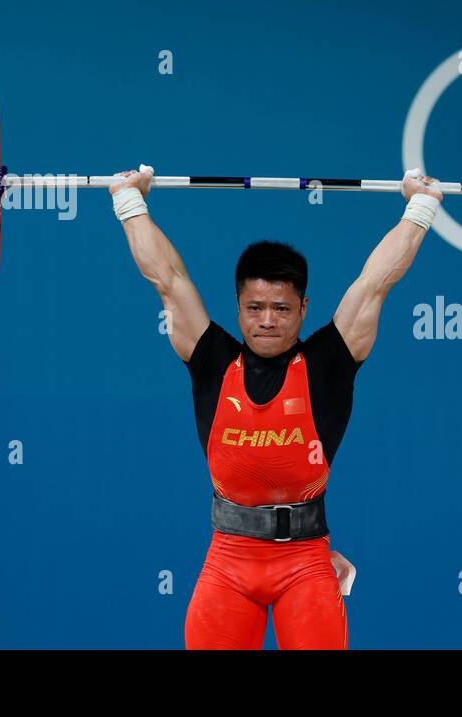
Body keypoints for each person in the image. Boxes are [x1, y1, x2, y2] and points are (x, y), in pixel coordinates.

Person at [109, 165, 442, 649]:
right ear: (239, 307)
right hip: (228, 562)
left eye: (282, 309)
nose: (267, 321)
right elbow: (168, 279)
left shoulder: (329, 361)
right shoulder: (212, 360)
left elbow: (375, 283)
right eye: (255, 308)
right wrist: (128, 201)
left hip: (304, 563)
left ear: (303, 308)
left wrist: (420, 206)